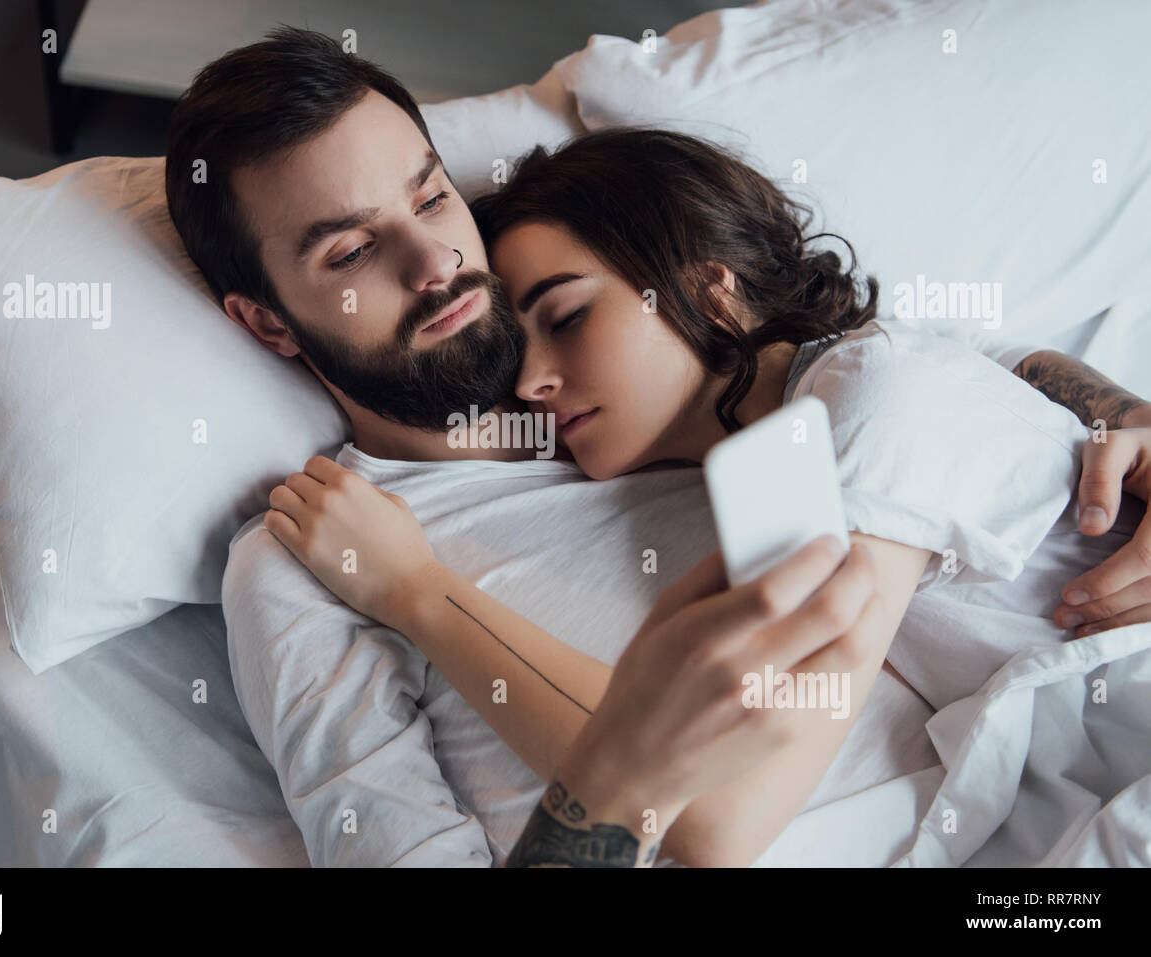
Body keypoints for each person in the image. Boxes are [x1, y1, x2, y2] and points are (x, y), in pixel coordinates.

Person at [165, 27, 1151, 867]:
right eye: (348, 253)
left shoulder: (695, 397)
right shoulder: (312, 555)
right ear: (269, 324)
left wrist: (1123, 418)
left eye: (430, 199)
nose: (436, 266)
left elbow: (938, 367)